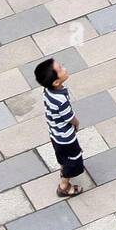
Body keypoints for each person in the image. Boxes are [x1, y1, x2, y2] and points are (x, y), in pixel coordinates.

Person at [34, 57, 86, 198]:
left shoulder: (49, 92)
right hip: (66, 137)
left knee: (63, 155)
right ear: (56, 82)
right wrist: (77, 123)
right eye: (61, 69)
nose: (65, 68)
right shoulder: (61, 100)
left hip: (55, 133)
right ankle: (64, 186)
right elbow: (69, 117)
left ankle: (64, 164)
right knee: (74, 159)